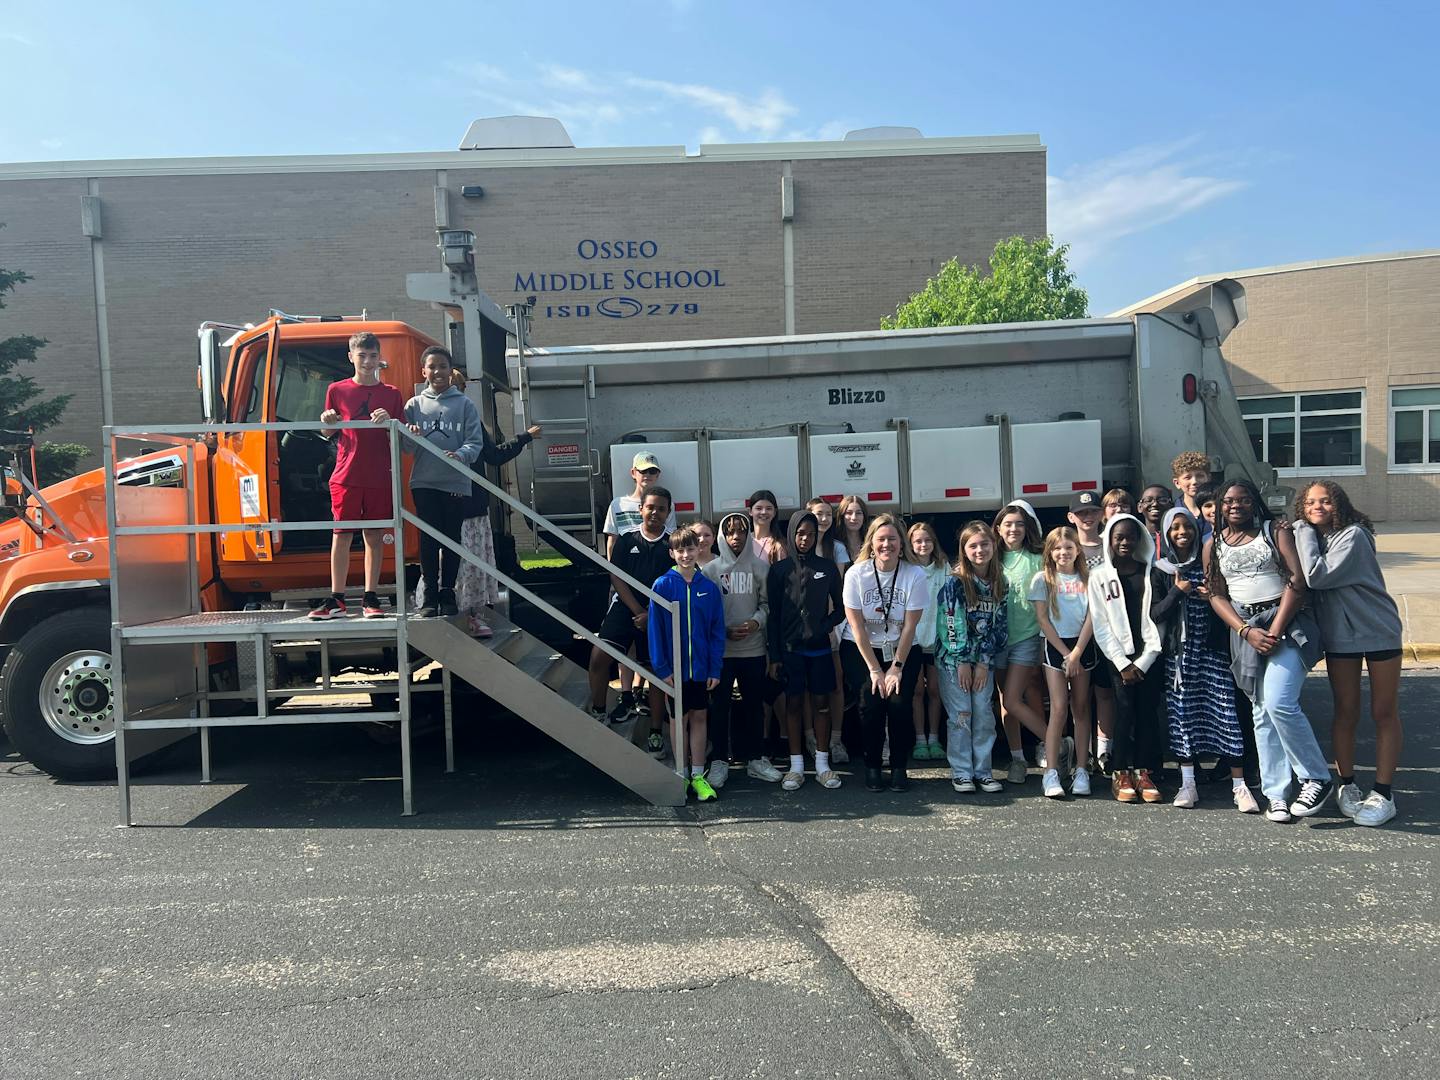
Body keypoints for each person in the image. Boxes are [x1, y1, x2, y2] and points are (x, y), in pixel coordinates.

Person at [1205, 479, 1333, 823]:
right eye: (1229, 501)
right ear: (1219, 506)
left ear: (1255, 503)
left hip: (1285, 623)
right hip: (1246, 629)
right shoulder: (1213, 545)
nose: (1235, 506)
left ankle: (1316, 776)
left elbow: (1297, 579)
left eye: (1244, 500)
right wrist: (1245, 631)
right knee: (1261, 711)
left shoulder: (1273, 530)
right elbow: (1217, 594)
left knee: (1279, 702)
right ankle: (1276, 793)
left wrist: (1273, 632)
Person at [1293, 481, 1403, 827]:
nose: (1317, 507)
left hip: (1378, 629)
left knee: (1383, 711)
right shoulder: (1313, 536)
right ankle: (1348, 785)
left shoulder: (1352, 535)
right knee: (1346, 712)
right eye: (1310, 502)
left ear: (1339, 504)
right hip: (1341, 636)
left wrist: (1301, 531)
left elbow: (1316, 575)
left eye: (1325, 501)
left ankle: (1384, 793)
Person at [1149, 507, 1253, 812]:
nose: (1182, 533)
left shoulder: (1210, 562)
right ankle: (1188, 784)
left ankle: (1240, 785)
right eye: (1175, 528)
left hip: (1213, 650)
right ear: (1167, 534)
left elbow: (1232, 601)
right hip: (1179, 657)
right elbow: (1155, 613)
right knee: (1183, 718)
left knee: (1225, 713)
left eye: (1188, 527)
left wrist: (1214, 597)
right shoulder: (1162, 570)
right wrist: (1178, 592)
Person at [310, 331, 404, 620]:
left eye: (372, 355)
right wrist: (326, 421)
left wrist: (390, 422)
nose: (367, 361)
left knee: (374, 536)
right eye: (361, 355)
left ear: (379, 358)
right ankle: (336, 599)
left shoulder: (392, 394)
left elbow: (403, 438)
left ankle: (370, 597)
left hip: (379, 475)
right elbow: (328, 430)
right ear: (351, 357)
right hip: (346, 473)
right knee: (341, 534)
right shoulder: (337, 390)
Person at [443, 368, 540, 637]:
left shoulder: (472, 422)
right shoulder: (430, 420)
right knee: (450, 563)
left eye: (459, 389)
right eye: (449, 389)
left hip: (472, 505)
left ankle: (473, 615)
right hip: (444, 506)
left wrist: (524, 437)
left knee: (474, 564)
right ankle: (447, 608)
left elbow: (493, 456)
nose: (455, 394)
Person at [841, 514, 929, 792]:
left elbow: (910, 625)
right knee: (871, 702)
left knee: (900, 703)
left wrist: (897, 667)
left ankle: (900, 767)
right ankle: (873, 766)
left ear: (901, 544)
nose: (886, 544)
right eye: (881, 539)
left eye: (892, 539)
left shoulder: (914, 574)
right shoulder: (856, 574)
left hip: (901, 648)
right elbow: (856, 627)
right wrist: (876, 670)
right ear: (872, 542)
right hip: (862, 649)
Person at [587, 487, 675, 757]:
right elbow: (617, 577)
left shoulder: (671, 545)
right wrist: (637, 610)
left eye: (661, 508)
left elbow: (673, 584)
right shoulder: (627, 540)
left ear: (668, 513)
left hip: (657, 614)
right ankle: (600, 712)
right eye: (650, 507)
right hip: (626, 608)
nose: (655, 513)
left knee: (656, 674)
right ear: (641, 510)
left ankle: (656, 734)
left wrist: (650, 615)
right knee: (599, 657)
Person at [1088, 514, 1166, 804]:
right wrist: (1122, 663)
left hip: (1148, 657)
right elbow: (1100, 624)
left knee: (1147, 713)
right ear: (1109, 539)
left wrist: (1142, 662)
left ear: (1140, 539)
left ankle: (1144, 772)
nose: (1124, 542)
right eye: (1118, 537)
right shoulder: (1099, 577)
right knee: (1123, 713)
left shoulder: (1152, 573)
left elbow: (1159, 624)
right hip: (1117, 659)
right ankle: (1120, 771)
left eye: (1130, 536)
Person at [403, 347, 485, 618]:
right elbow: (403, 447)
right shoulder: (414, 405)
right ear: (423, 371)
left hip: (455, 482)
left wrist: (460, 455)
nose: (437, 372)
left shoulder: (464, 404)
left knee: (451, 538)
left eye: (442, 366)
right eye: (432, 366)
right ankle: (429, 595)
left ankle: (448, 592)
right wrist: (410, 434)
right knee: (429, 538)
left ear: (451, 371)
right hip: (424, 482)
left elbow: (475, 442)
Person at [766, 510, 846, 790]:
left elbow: (841, 608)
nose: (805, 539)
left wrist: (824, 626)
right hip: (790, 651)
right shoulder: (778, 570)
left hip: (820, 650)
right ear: (792, 535)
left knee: (822, 705)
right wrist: (774, 656)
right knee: (794, 705)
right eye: (800, 534)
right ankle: (796, 766)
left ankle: (823, 765)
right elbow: (773, 617)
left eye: (811, 535)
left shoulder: (827, 567)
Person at [702, 513, 781, 788]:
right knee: (719, 707)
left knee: (754, 707)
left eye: (741, 532)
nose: (736, 537)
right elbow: (706, 613)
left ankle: (756, 759)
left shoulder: (760, 567)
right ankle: (720, 761)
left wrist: (755, 622)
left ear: (748, 535)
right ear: (723, 535)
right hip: (722, 652)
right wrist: (724, 630)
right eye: (731, 532)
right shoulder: (710, 571)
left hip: (753, 650)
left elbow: (769, 605)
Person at [648, 525, 726, 802]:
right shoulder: (663, 585)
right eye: (680, 550)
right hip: (675, 671)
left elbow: (717, 630)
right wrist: (662, 668)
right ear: (672, 553)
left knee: (700, 717)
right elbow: (654, 630)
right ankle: (679, 774)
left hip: (701, 670)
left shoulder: (709, 587)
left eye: (690, 548)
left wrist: (715, 667)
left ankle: (697, 776)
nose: (685, 554)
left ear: (698, 550)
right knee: (677, 720)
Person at [601, 451, 678, 722]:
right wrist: (617, 582)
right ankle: (625, 695)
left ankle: (645, 700)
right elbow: (612, 544)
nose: (647, 475)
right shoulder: (618, 504)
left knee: (649, 654)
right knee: (620, 646)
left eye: (652, 471)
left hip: (652, 600)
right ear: (633, 472)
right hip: (623, 588)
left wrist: (650, 610)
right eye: (643, 471)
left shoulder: (667, 526)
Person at [934, 521, 1008, 794]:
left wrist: (984, 663)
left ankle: (983, 771)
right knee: (961, 715)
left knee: (984, 714)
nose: (979, 550)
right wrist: (963, 660)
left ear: (993, 546)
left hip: (982, 664)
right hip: (955, 663)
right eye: (973, 545)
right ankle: (962, 772)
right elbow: (950, 624)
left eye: (984, 544)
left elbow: (999, 626)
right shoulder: (955, 582)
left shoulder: (1001, 581)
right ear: (964, 550)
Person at [1029, 526, 1095, 798]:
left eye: (1068, 547)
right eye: (1057, 548)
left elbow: (1093, 615)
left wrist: (1077, 651)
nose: (1063, 552)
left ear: (1078, 549)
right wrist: (1066, 653)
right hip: (1055, 647)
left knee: (1080, 707)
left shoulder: (1088, 577)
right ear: (1050, 552)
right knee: (1058, 708)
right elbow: (1043, 619)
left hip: (1083, 645)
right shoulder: (1042, 579)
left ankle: (1081, 769)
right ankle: (1052, 771)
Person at [993, 502, 1049, 783]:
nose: (1013, 529)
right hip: (997, 638)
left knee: (1014, 698)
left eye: (1019, 524)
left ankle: (1055, 743)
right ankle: (1017, 759)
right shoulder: (992, 557)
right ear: (999, 529)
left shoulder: (1038, 558)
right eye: (1008, 524)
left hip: (1027, 635)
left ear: (1027, 529)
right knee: (1006, 701)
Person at [1069, 490, 1114, 773]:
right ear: (1071, 517)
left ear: (1101, 514)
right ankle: (1081, 750)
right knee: (1079, 696)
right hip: (1076, 632)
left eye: (1093, 512)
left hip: (1109, 630)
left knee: (1105, 691)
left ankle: (1104, 749)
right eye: (1081, 513)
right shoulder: (1066, 547)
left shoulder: (1111, 544)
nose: (1088, 517)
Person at [806, 496, 851, 765]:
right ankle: (811, 738)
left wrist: (831, 626)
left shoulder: (837, 548)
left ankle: (836, 739)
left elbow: (837, 589)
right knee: (807, 687)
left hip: (830, 622)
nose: (822, 518)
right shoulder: (799, 546)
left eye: (826, 514)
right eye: (817, 514)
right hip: (805, 627)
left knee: (835, 681)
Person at [906, 521, 948, 763]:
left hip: (937, 638)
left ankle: (934, 737)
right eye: (918, 541)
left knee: (934, 690)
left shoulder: (944, 568)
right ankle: (920, 739)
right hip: (912, 639)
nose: (923, 545)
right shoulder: (908, 569)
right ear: (911, 544)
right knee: (916, 691)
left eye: (927, 540)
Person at [1171, 451, 1213, 541]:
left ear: (1209, 478)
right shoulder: (1172, 513)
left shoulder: (1218, 509)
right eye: (1187, 477)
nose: (1194, 482)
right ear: (1177, 483)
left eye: (1200, 476)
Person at [748, 490, 786, 564]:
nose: (764, 512)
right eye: (759, 508)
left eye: (768, 508)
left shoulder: (779, 546)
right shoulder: (744, 541)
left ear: (774, 512)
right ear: (750, 511)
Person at [1137, 484, 1175, 553]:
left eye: (1162, 500)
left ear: (1171, 506)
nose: (1155, 504)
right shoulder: (1136, 538)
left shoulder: (1176, 537)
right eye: (1148, 500)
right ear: (1140, 507)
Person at [836, 495, 871, 571]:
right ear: (842, 516)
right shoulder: (835, 546)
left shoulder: (871, 544)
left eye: (858, 513)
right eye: (849, 513)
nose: (854, 518)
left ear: (864, 517)